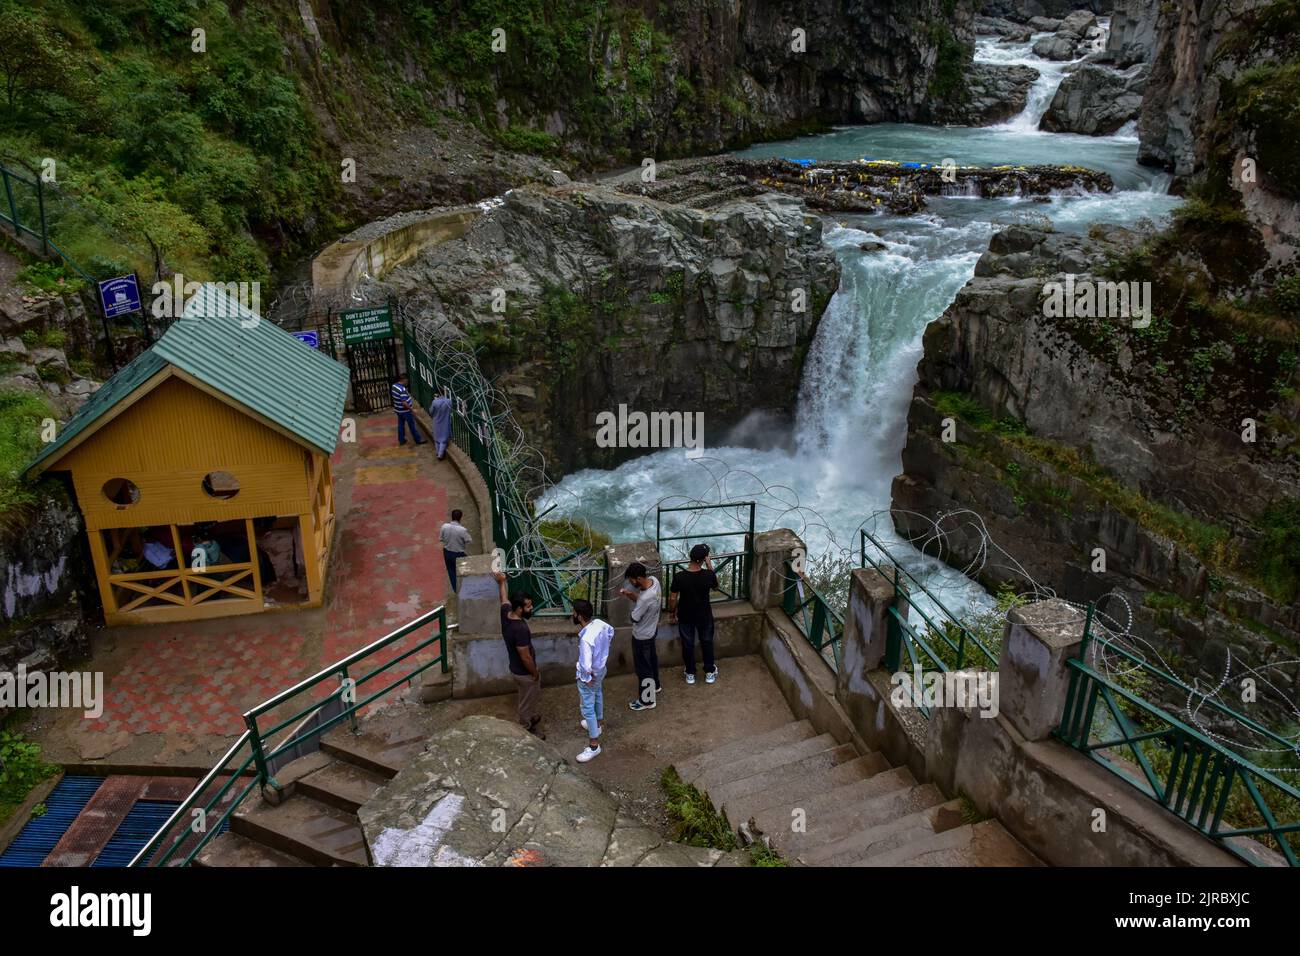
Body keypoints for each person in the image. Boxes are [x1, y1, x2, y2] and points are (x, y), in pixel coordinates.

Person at [495, 571, 542, 737]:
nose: (531, 608)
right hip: (524, 672)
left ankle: (529, 717)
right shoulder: (520, 629)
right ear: (519, 608)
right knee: (527, 700)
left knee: (525, 695)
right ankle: (526, 727)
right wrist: (534, 672)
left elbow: (504, 599)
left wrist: (501, 582)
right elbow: (525, 656)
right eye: (528, 606)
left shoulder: (506, 614)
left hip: (515, 669)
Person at [668, 544, 719, 685]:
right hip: (704, 614)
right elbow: (716, 586)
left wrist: (672, 613)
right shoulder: (708, 575)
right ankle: (709, 671)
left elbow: (672, 598)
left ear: (690, 557)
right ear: (704, 559)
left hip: (685, 614)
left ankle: (690, 672)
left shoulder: (679, 577)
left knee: (687, 644)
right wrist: (710, 566)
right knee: (707, 641)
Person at [572, 598, 613, 763]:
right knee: (598, 694)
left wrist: (586, 677)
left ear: (580, 616)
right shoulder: (600, 624)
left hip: (590, 675)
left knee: (587, 707)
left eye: (574, 612)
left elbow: (585, 665)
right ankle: (598, 725)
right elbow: (611, 632)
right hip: (601, 669)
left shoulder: (586, 639)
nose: (572, 615)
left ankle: (594, 746)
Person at [619, 562, 662, 711]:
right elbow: (645, 601)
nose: (630, 583)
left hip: (641, 636)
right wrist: (632, 596)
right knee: (652, 660)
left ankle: (648, 701)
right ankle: (655, 686)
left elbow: (634, 618)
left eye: (631, 580)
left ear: (638, 578)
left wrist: (633, 604)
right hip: (652, 630)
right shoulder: (654, 582)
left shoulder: (644, 599)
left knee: (643, 669)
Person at [439, 509, 472, 593]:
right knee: (466, 570)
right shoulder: (462, 530)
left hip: (447, 552)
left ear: (452, 516)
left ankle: (457, 590)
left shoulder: (444, 526)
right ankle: (468, 587)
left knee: (451, 572)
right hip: (459, 554)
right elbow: (469, 540)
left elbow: (441, 539)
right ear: (460, 518)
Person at [390, 373, 425, 447]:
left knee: (401, 425)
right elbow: (404, 402)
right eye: (407, 381)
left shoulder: (394, 386)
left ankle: (401, 440)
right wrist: (411, 409)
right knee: (412, 425)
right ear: (403, 380)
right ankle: (418, 439)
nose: (407, 382)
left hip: (398, 410)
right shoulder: (402, 389)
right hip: (405, 411)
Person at [430, 392, 453, 461]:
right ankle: (440, 454)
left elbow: (431, 412)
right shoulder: (449, 401)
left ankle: (438, 452)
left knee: (437, 438)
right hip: (445, 421)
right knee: (443, 439)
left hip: (436, 422)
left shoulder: (434, 402)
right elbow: (450, 409)